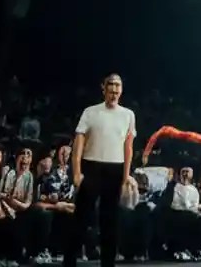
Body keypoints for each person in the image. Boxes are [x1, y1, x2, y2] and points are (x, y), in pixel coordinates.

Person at [65, 74, 136, 267]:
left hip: (115, 169)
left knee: (110, 221)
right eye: (110, 85)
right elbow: (79, 142)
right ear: (103, 88)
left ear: (121, 90)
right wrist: (77, 171)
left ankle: (108, 264)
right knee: (81, 217)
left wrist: (125, 175)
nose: (114, 90)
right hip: (91, 166)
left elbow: (128, 147)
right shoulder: (90, 112)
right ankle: (69, 261)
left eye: (117, 86)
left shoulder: (128, 114)